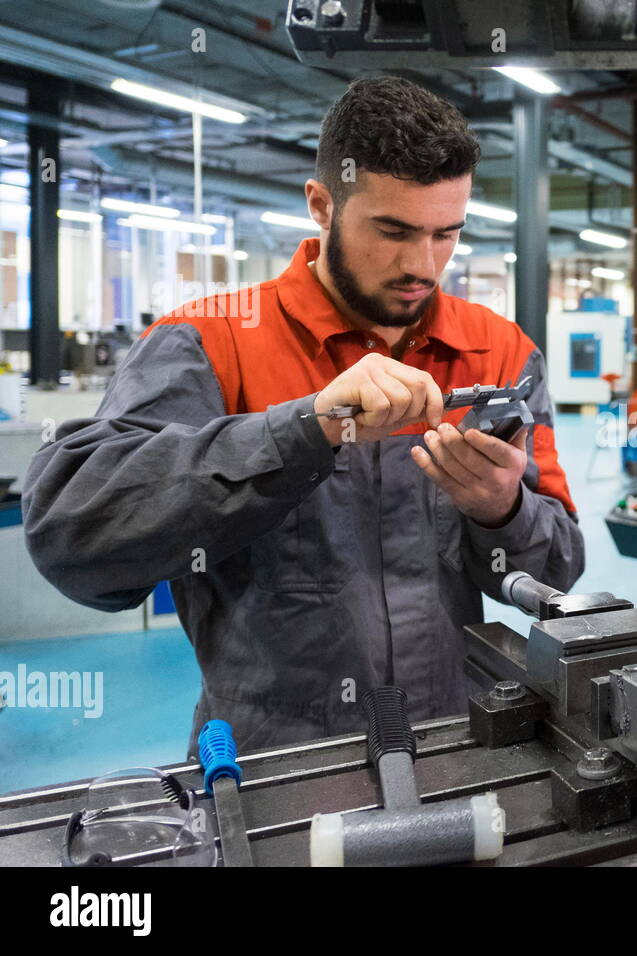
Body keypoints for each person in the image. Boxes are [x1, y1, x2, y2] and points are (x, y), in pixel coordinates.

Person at [22, 76, 584, 754]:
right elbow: (72, 536)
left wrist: (502, 511)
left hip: (451, 745)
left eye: (446, 233)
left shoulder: (498, 350)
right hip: (275, 766)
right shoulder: (211, 342)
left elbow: (556, 573)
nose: (421, 264)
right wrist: (304, 429)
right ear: (322, 204)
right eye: (392, 230)